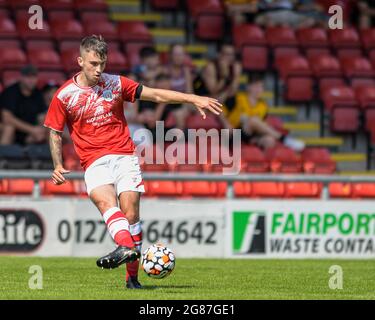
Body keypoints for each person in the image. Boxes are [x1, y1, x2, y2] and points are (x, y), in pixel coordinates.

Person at [43, 35, 222, 289]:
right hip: (93, 161)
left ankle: (132, 278)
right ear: (80, 60)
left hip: (124, 155)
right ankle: (126, 248)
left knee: (132, 214)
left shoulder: (116, 84)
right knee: (106, 203)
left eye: (102, 64)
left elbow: (156, 95)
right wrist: (57, 164)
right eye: (93, 64)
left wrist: (193, 98)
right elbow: (54, 131)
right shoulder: (65, 95)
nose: (98, 70)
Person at [219, 74, 305, 151]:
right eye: (256, 86)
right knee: (253, 121)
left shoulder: (263, 106)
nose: (259, 89)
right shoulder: (237, 98)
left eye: (261, 87)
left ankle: (262, 164)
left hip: (249, 136)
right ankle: (284, 139)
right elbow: (218, 109)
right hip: (232, 135)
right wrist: (226, 123)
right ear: (248, 87)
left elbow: (261, 126)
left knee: (269, 140)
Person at [0, 65, 48, 145]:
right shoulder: (10, 92)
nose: (31, 80)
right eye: (28, 77)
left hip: (29, 133)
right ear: (21, 78)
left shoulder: (38, 94)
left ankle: (51, 157)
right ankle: (3, 156)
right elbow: (7, 118)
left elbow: (41, 116)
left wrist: (40, 130)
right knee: (9, 128)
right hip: (14, 129)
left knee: (52, 131)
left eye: (33, 77)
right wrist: (32, 129)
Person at [194, 43, 242, 112]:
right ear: (220, 55)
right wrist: (224, 77)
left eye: (232, 55)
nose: (230, 58)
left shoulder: (235, 67)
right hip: (203, 96)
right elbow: (213, 91)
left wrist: (235, 76)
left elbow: (233, 91)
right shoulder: (211, 67)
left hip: (222, 97)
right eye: (227, 54)